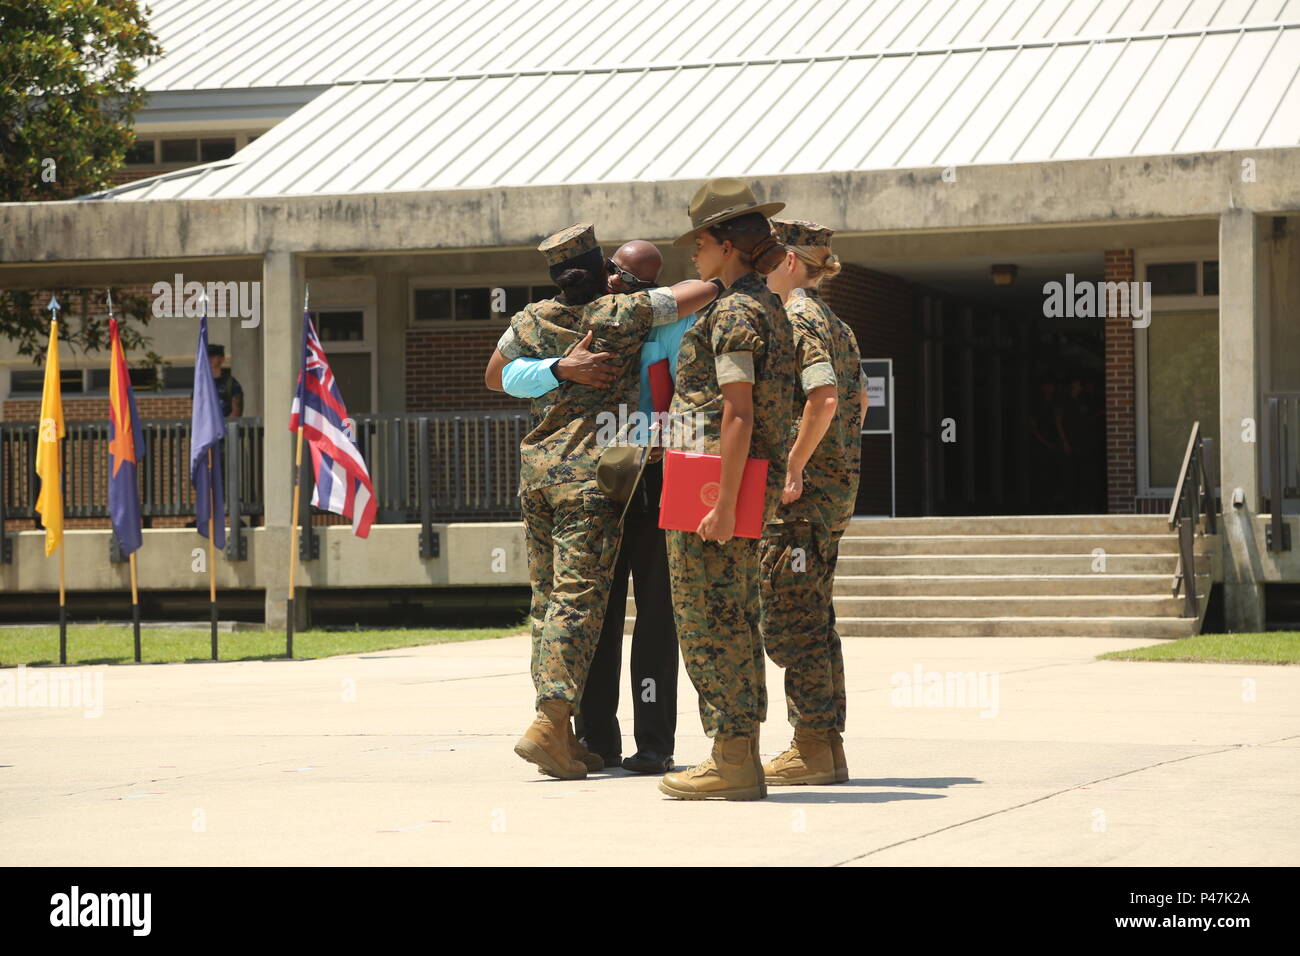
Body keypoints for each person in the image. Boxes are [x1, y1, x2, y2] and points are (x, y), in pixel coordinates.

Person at [482, 223, 717, 781]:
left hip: (592, 474)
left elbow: (498, 374)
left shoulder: (538, 318)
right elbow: (701, 287)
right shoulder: (620, 315)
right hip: (600, 481)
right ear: (603, 269)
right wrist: (564, 366)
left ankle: (620, 742)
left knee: (589, 608)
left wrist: (554, 368)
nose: (622, 280)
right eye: (616, 269)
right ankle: (573, 730)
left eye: (634, 277)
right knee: (587, 608)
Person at [656, 177, 796, 801]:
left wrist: (721, 504)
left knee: (710, 622)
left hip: (713, 485)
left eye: (701, 242)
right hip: (723, 480)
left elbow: (737, 413)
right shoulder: (763, 304)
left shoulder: (736, 311)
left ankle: (733, 757)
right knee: (734, 617)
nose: (694, 254)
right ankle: (738, 753)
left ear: (725, 245)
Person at [758, 218, 867, 786]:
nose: (760, 265)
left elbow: (822, 399)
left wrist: (794, 466)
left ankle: (810, 746)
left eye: (768, 256)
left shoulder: (796, 317)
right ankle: (824, 744)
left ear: (793, 262)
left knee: (790, 619)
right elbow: (861, 401)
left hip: (800, 503)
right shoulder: (838, 324)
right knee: (815, 617)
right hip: (834, 495)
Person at [208, 343, 243, 417]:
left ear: (221, 359)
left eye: (213, 356)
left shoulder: (230, 382)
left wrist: (224, 426)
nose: (210, 359)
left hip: (225, 426)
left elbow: (236, 411)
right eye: (207, 356)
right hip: (206, 427)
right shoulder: (201, 383)